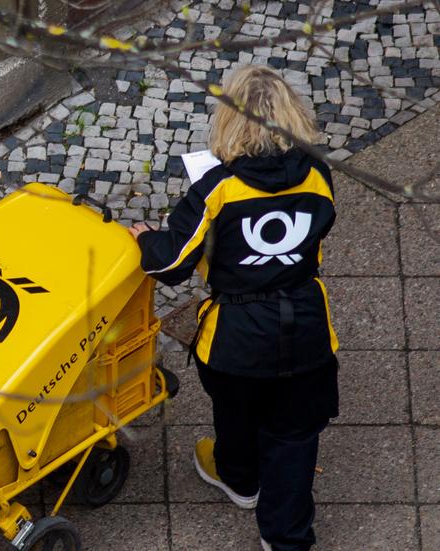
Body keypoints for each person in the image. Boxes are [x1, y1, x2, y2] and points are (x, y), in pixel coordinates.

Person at [129, 65, 339, 551]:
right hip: (307, 329)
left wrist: (147, 240)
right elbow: (321, 226)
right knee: (294, 438)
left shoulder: (216, 188)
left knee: (236, 411)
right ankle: (287, 539)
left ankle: (239, 480)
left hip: (235, 336)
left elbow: (174, 264)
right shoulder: (318, 175)